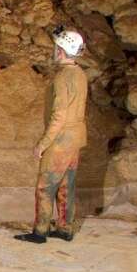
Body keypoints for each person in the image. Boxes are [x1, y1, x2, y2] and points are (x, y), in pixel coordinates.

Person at [17, 27, 89, 244]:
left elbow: (59, 115)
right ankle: (65, 228)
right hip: (76, 137)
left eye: (56, 47)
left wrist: (43, 143)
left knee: (45, 186)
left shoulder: (63, 77)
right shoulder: (80, 74)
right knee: (67, 185)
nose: (54, 50)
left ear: (61, 51)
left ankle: (40, 231)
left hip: (60, 141)